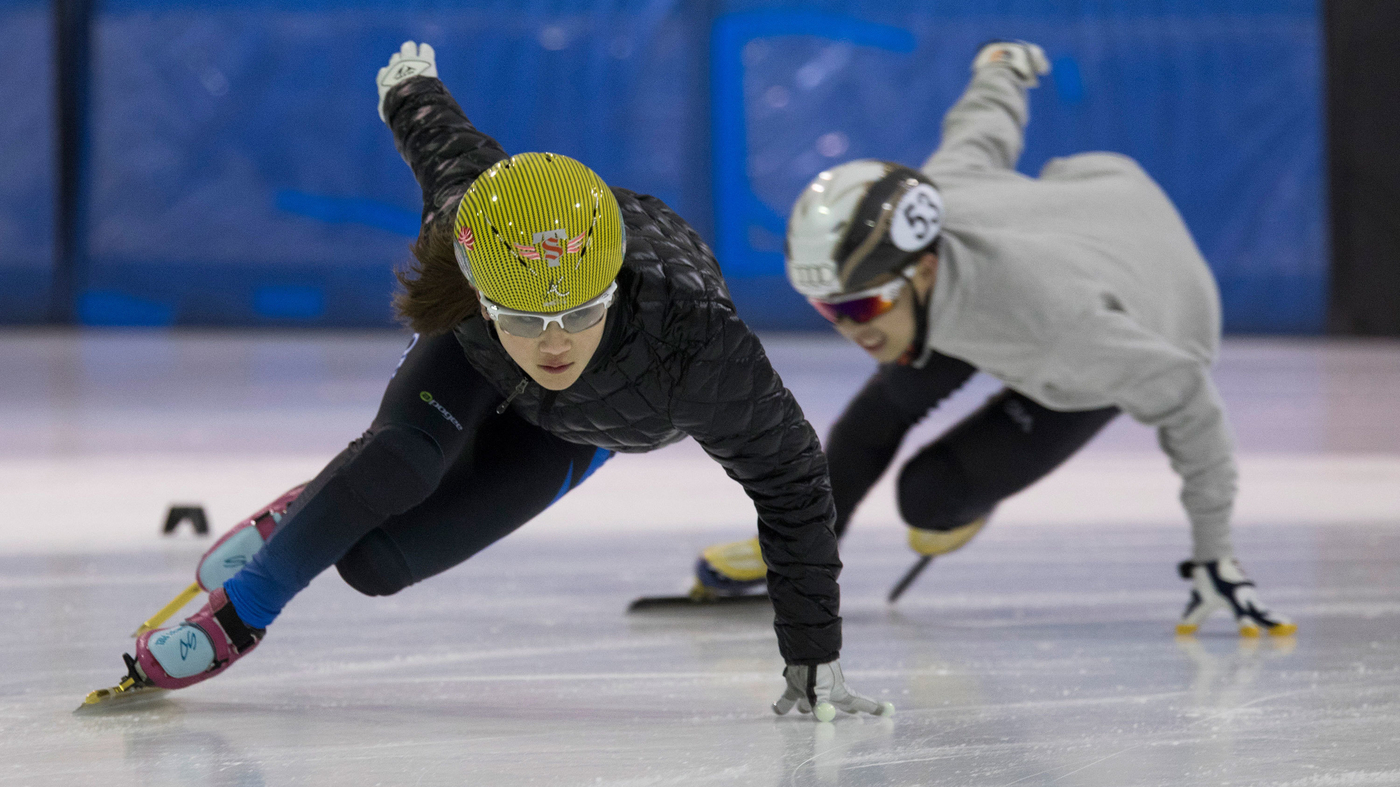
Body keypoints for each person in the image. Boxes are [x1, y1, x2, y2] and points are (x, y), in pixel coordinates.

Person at [99, 42, 891, 721]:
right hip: (472, 362)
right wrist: (409, 89)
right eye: (522, 316)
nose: (550, 345)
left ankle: (310, 509)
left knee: (374, 566)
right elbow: (444, 145)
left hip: (586, 426)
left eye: (577, 315)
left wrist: (812, 661)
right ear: (480, 288)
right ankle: (243, 610)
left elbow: (792, 481)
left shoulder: (696, 346)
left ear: (612, 290)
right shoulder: (470, 224)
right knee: (401, 459)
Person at [695, 41, 1295, 638]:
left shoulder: (1066, 335)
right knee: (876, 414)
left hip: (1150, 316)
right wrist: (1003, 66)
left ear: (922, 270)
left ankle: (967, 484)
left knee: (928, 503)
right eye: (831, 310)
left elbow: (1189, 399)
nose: (854, 330)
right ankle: (799, 544)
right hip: (1069, 223)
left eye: (865, 305)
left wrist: (1215, 555)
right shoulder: (934, 199)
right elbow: (981, 126)